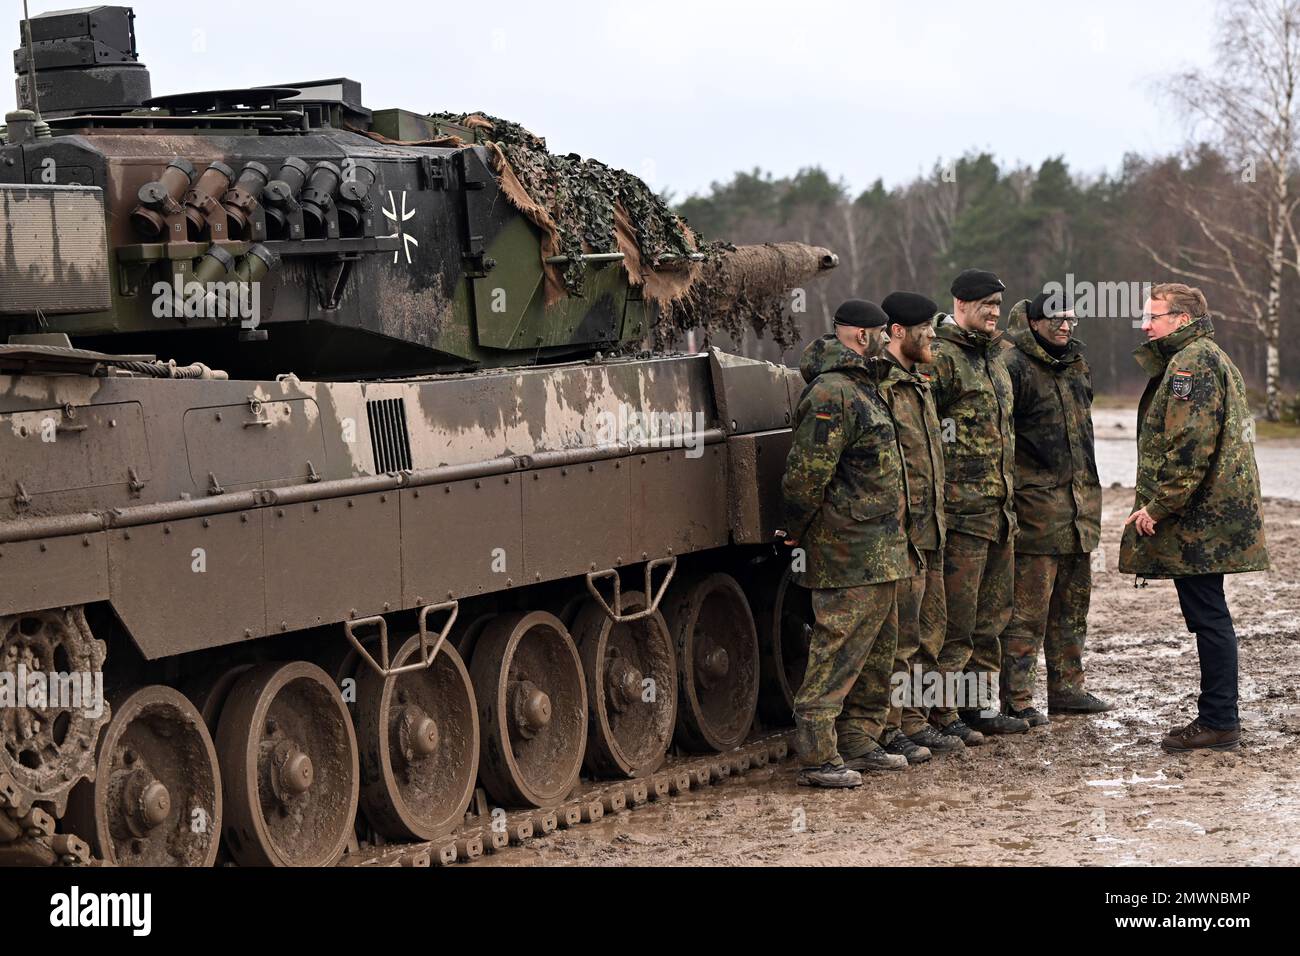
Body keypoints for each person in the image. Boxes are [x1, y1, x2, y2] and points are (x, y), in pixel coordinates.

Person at [1119, 283, 1269, 753]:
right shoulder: (1206, 355)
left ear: (1181, 319)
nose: (1145, 325)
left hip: (1201, 519)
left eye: (1154, 316)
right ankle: (1219, 714)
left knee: (1208, 617)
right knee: (1209, 614)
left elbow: (1190, 447)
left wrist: (1158, 507)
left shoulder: (1191, 363)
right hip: (1209, 515)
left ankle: (1220, 719)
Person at [781, 298, 912, 787]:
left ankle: (859, 739)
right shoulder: (832, 393)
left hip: (880, 549)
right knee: (836, 650)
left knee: (877, 650)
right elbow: (806, 475)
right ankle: (816, 754)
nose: (891, 339)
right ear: (862, 335)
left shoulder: (865, 386)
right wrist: (795, 528)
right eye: (884, 332)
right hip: (845, 548)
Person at [920, 269, 1027, 738]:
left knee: (992, 620)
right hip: (960, 515)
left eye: (999, 307)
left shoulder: (995, 360)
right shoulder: (940, 358)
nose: (994, 313)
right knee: (955, 626)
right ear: (960, 304)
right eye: (986, 305)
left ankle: (980, 708)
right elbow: (920, 434)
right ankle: (941, 716)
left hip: (998, 513)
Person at [999, 292, 1111, 725]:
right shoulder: (1014, 367)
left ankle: (1068, 689)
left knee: (1072, 607)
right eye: (1055, 319)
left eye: (1071, 318)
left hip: (1080, 512)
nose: (1065, 326)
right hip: (1035, 514)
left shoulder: (1078, 365)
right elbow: (1002, 440)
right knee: (1027, 613)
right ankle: (1018, 699)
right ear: (1033, 323)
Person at [877, 291, 966, 759]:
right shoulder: (883, 386)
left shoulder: (921, 382)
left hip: (931, 530)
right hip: (900, 534)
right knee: (900, 638)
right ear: (896, 333)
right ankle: (889, 729)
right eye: (925, 329)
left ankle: (916, 719)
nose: (934, 334)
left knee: (930, 633)